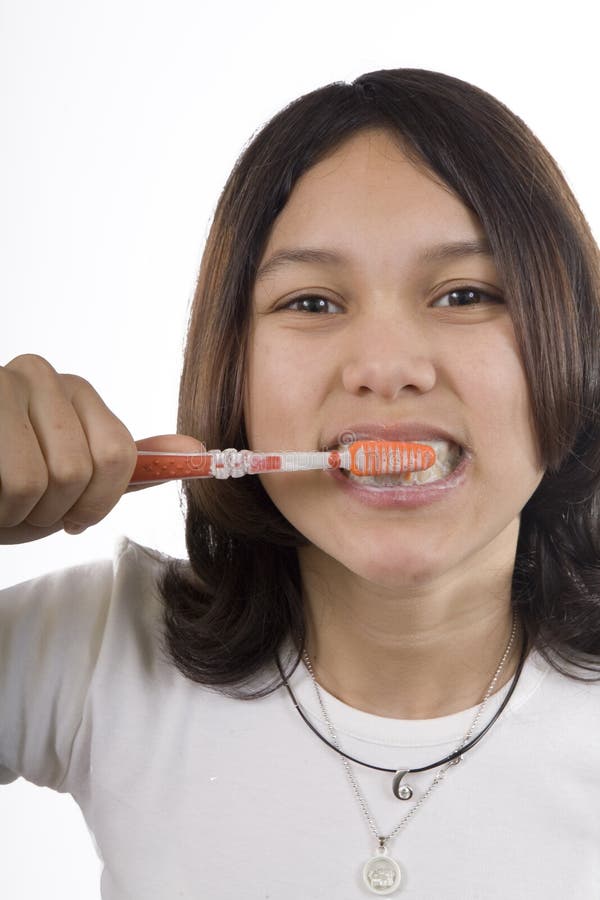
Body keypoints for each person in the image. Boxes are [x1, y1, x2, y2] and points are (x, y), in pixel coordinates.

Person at [1, 67, 599, 899]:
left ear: (574, 342)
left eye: (466, 293)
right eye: (312, 303)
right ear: (233, 369)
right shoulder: (92, 651)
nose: (386, 368)